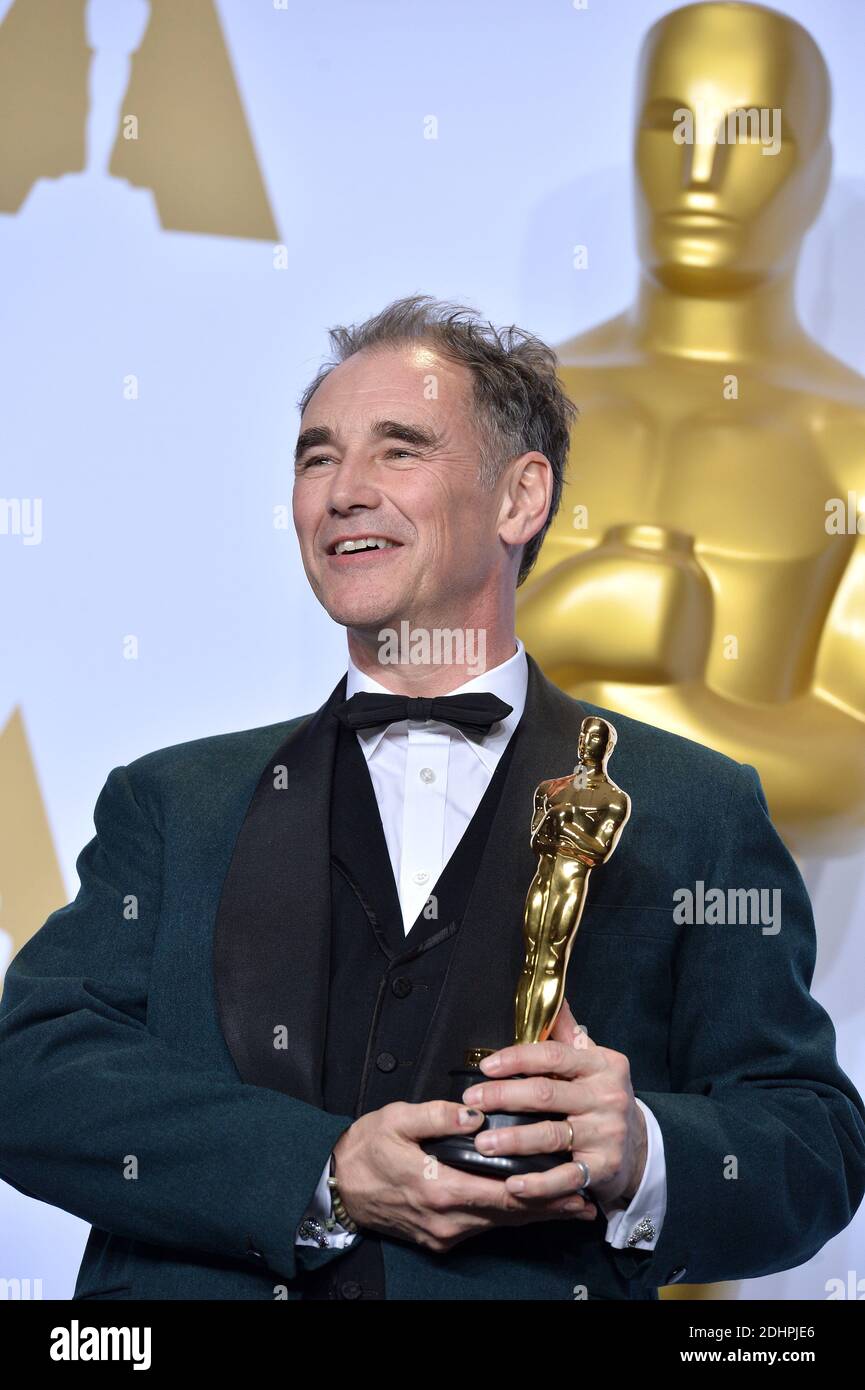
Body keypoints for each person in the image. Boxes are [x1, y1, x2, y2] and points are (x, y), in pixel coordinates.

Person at [1, 294, 863, 1302]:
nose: (343, 491)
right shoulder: (174, 800)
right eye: (317, 456)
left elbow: (811, 1140)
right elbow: (33, 1075)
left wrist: (643, 1148)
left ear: (519, 499)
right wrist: (315, 1171)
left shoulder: (689, 805)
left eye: (397, 450)